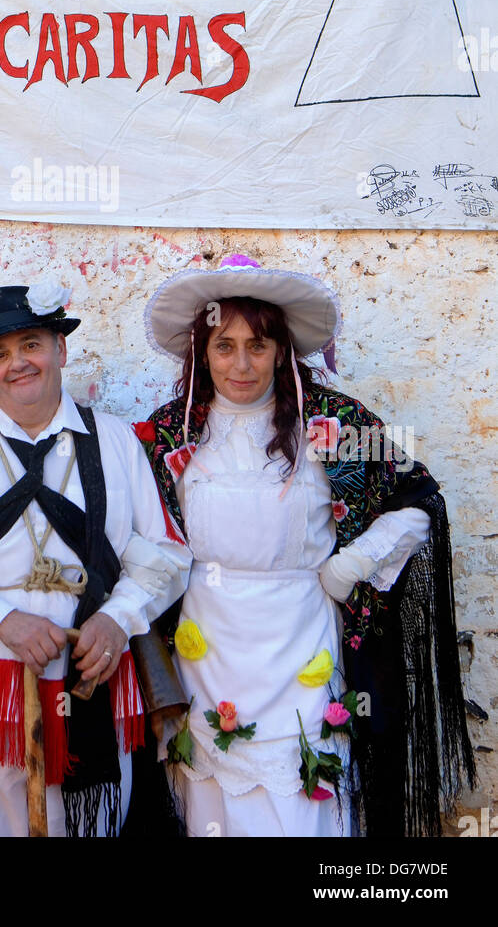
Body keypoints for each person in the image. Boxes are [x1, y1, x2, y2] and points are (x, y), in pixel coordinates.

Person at [141, 254, 474, 838]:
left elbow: (420, 494)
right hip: (207, 643)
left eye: (259, 345)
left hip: (303, 637)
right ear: (202, 351)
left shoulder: (333, 421)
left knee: (303, 787)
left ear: (284, 350)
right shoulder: (171, 429)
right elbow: (144, 535)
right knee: (212, 792)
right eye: (224, 346)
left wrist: (354, 563)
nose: (242, 364)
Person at [0, 280, 190, 837]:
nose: (17, 364)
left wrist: (117, 618)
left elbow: (169, 556)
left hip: (91, 674)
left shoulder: (114, 441)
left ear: (61, 349)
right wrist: (3, 620)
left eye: (31, 344)